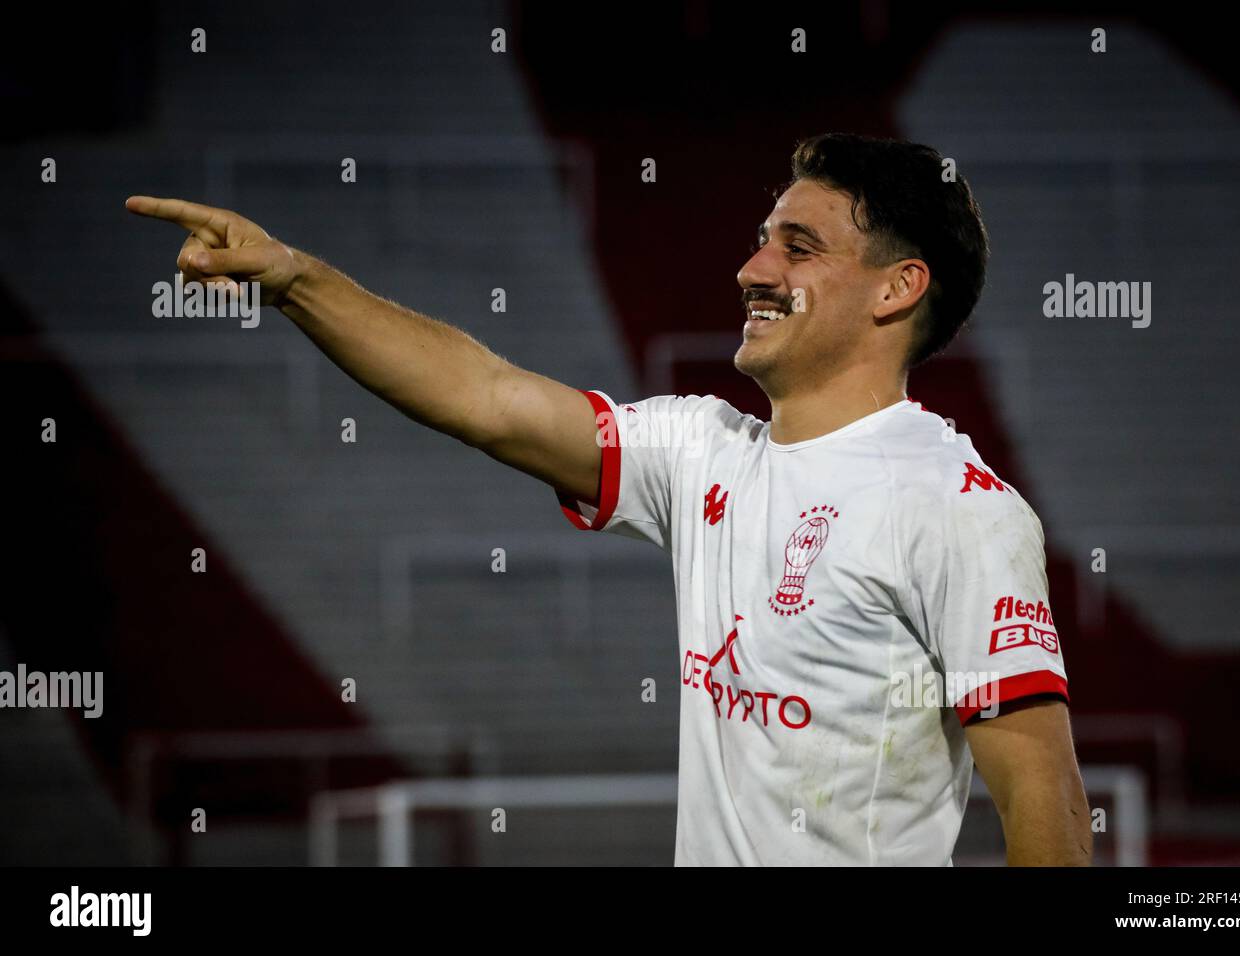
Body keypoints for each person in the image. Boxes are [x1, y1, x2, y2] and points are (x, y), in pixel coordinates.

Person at [127, 133, 1091, 866]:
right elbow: (487, 397)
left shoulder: (956, 504)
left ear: (898, 289)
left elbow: (1039, 791)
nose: (753, 269)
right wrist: (297, 279)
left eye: (799, 248)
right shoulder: (704, 452)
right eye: (763, 241)